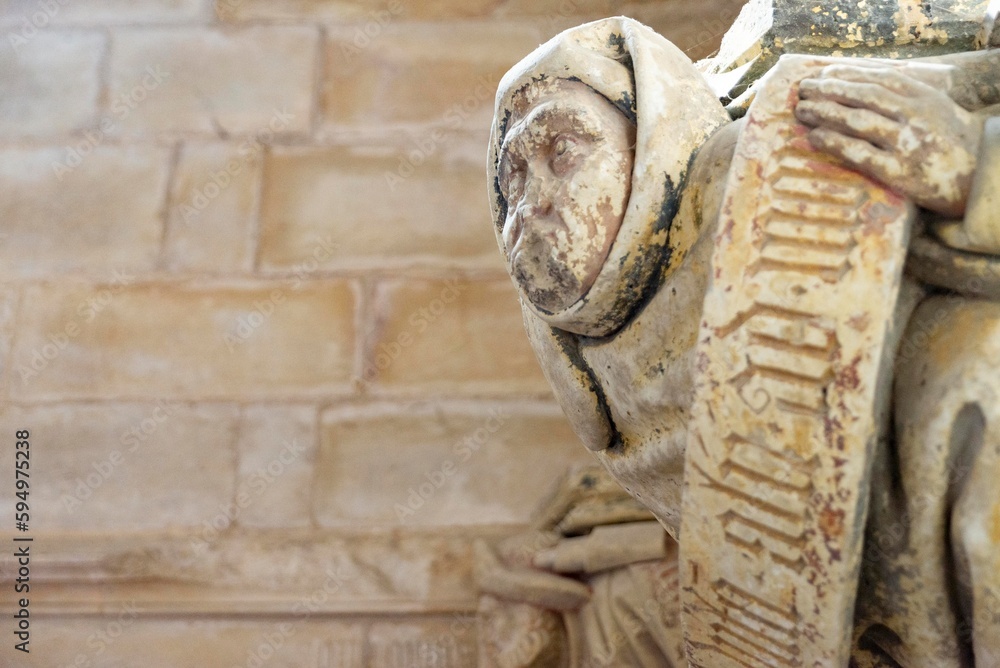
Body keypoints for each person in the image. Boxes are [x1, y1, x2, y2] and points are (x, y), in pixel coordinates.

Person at [486, 12, 1000, 667]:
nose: (532, 208)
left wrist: (981, 171)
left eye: (562, 153)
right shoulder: (703, 100)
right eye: (511, 183)